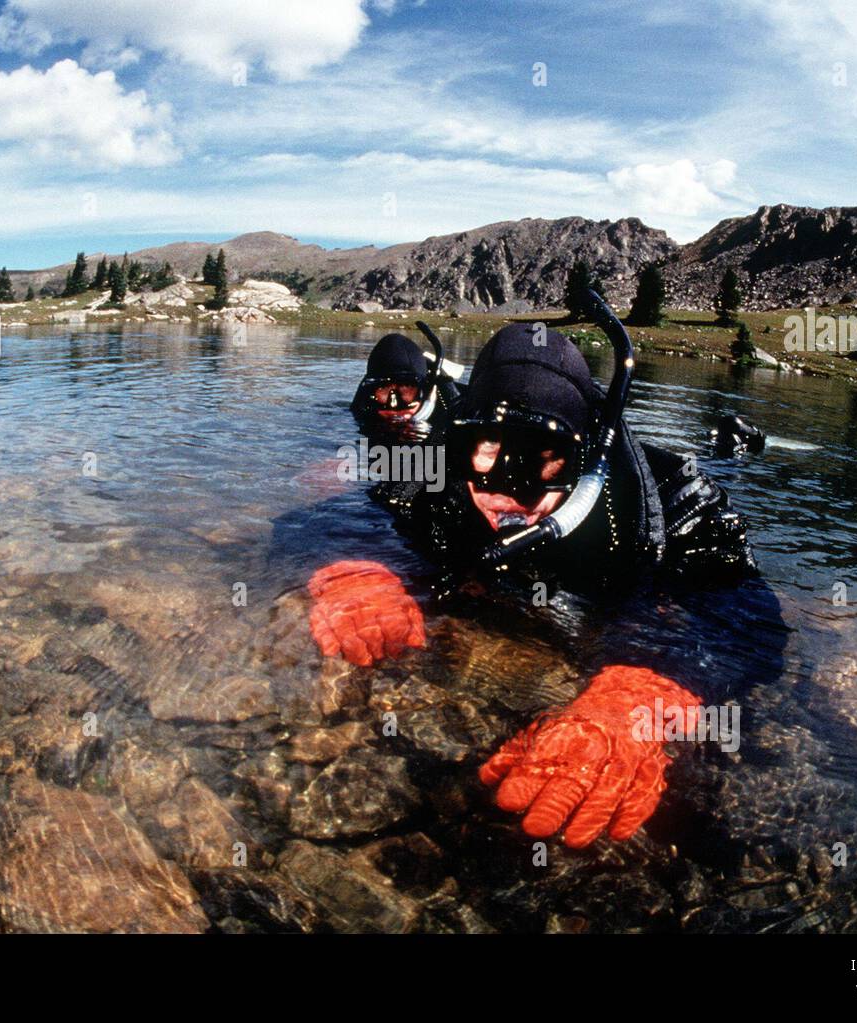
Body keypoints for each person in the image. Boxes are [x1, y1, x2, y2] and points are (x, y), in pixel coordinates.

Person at [307, 294, 757, 849]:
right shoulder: (437, 469)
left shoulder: (674, 494)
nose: (506, 488)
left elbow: (741, 616)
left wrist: (648, 688)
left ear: (587, 449)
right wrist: (354, 570)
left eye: (542, 454)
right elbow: (331, 519)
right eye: (488, 448)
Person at [350, 330, 460, 434]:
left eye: (406, 391)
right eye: (383, 391)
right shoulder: (361, 416)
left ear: (427, 391)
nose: (393, 405)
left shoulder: (453, 422)